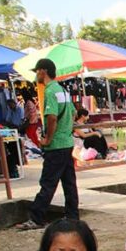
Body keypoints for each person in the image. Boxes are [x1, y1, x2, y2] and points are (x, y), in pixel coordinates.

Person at [19, 58, 78, 230]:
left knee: (48, 183)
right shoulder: (63, 91)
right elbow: (73, 113)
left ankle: (36, 218)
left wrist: (48, 139)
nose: (36, 75)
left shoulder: (50, 91)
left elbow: (51, 117)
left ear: (43, 71)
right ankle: (73, 217)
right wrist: (66, 129)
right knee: (69, 183)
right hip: (67, 142)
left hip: (56, 146)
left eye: (37, 71)